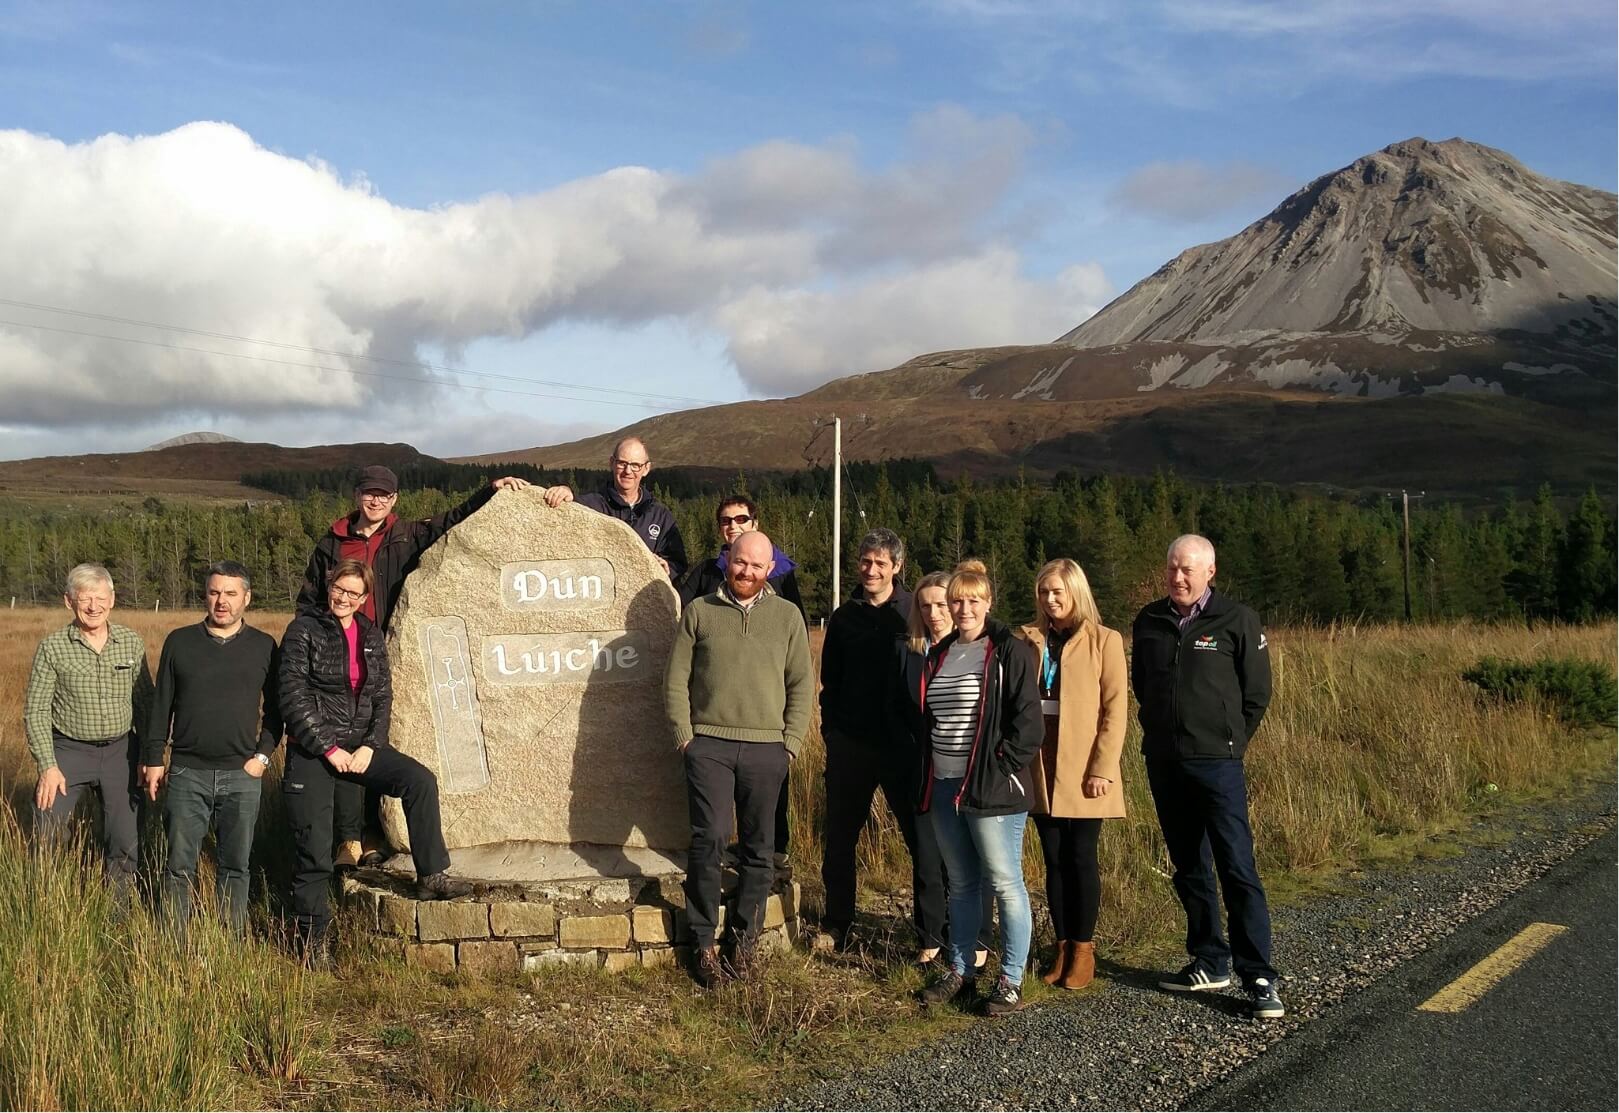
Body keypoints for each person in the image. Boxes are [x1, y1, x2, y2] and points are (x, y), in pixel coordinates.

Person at [295, 463, 533, 870]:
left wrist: (490, 490)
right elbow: (308, 599)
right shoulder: (331, 543)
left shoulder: (407, 534)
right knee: (345, 739)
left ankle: (373, 836)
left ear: (394, 501)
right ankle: (349, 838)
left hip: (384, 646)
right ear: (357, 496)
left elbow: (451, 521)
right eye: (369, 493)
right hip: (338, 652)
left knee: (375, 740)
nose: (375, 500)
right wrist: (313, 643)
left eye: (384, 495)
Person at [279, 559, 471, 964]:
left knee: (419, 781)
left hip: (360, 746)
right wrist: (330, 748)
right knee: (313, 848)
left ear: (365, 599)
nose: (344, 598)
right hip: (314, 750)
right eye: (339, 589)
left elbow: (381, 696)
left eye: (353, 593)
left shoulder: (369, 634)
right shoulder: (303, 630)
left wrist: (370, 745)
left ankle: (431, 874)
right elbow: (292, 697)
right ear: (329, 587)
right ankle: (311, 942)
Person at [1132, 534, 1282, 1019]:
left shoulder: (1238, 620)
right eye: (1172, 568)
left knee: (1236, 865)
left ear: (1210, 572)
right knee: (1188, 865)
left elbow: (1256, 694)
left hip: (1218, 763)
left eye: (1188, 570)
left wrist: (1230, 742)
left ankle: (1258, 973)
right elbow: (1143, 686)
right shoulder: (1149, 621)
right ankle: (1208, 958)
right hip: (1165, 761)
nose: (1178, 577)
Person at [664, 531, 813, 986]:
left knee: (758, 848)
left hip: (767, 749)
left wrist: (790, 744)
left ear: (770, 570)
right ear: (727, 559)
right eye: (740, 562)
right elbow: (675, 682)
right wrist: (687, 738)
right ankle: (704, 944)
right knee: (708, 840)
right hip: (709, 745)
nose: (746, 571)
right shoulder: (700, 611)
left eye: (756, 566)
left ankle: (743, 944)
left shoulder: (787, 617)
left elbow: (802, 685)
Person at [917, 561, 1042, 1017]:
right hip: (945, 784)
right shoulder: (941, 654)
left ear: (988, 603)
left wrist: (1001, 764)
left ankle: (1010, 978)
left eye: (973, 600)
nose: (964, 608)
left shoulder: (1009, 650)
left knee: (1006, 884)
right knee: (963, 884)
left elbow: (1027, 724)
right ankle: (961, 968)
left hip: (992, 790)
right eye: (957, 600)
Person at [140, 560, 283, 939]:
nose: (222, 601)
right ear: (205, 595)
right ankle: (174, 943)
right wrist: (154, 759)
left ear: (247, 599)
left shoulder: (265, 647)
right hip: (188, 772)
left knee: (236, 865)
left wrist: (262, 757)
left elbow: (277, 712)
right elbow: (161, 706)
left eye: (231, 593)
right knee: (179, 865)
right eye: (215, 592)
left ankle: (228, 942)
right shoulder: (179, 642)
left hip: (242, 774)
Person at [1016, 558, 1127, 990]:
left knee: (1081, 857)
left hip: (1083, 769)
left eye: (1058, 592)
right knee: (1053, 860)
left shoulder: (1105, 641)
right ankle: (1060, 947)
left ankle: (1083, 949)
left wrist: (1102, 768)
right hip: (1039, 764)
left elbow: (1116, 712)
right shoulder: (1028, 640)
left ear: (1076, 592)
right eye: (1044, 592)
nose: (1051, 600)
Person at [679, 493, 804, 878]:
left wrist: (792, 741)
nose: (733, 525)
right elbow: (679, 614)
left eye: (741, 518)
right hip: (713, 724)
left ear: (755, 522)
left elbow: (796, 652)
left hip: (767, 721)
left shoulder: (782, 576)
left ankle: (773, 858)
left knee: (764, 818)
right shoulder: (705, 573)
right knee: (713, 819)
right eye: (725, 520)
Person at [23, 563, 153, 901]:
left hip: (122, 751)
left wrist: (150, 756)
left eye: (100, 597)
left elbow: (146, 705)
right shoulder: (52, 648)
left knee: (124, 838)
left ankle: (118, 916)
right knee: (47, 829)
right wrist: (47, 766)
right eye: (84, 598)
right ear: (69, 602)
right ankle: (49, 907)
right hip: (68, 753)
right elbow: (36, 710)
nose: (93, 606)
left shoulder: (131, 642)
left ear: (112, 599)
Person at [817, 527, 914, 951]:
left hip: (904, 749)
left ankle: (935, 930)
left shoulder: (914, 611)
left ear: (897, 567)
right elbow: (829, 683)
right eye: (865, 561)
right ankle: (838, 923)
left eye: (880, 563)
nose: (871, 570)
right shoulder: (844, 617)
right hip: (851, 744)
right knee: (840, 838)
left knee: (921, 840)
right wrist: (832, 734)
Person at [896, 570, 993, 969]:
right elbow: (897, 708)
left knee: (973, 862)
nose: (934, 613)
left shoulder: (971, 651)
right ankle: (931, 938)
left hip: (968, 769)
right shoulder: (908, 650)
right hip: (922, 769)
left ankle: (978, 942)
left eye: (941, 604)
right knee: (927, 858)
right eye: (925, 605)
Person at [541, 436, 688, 579]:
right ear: (611, 463)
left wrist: (666, 569)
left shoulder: (660, 515)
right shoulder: (590, 506)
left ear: (646, 468)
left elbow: (678, 563)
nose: (628, 471)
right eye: (622, 463)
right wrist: (564, 493)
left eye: (635, 465)